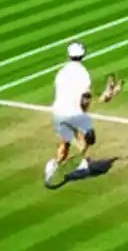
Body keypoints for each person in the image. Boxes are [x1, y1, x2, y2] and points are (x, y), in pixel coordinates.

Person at [44, 42, 102, 188]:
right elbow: (85, 98)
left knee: (65, 142)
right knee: (87, 138)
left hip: (58, 111)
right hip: (74, 112)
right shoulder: (84, 74)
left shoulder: (61, 72)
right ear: (83, 55)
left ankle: (55, 165)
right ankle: (84, 164)